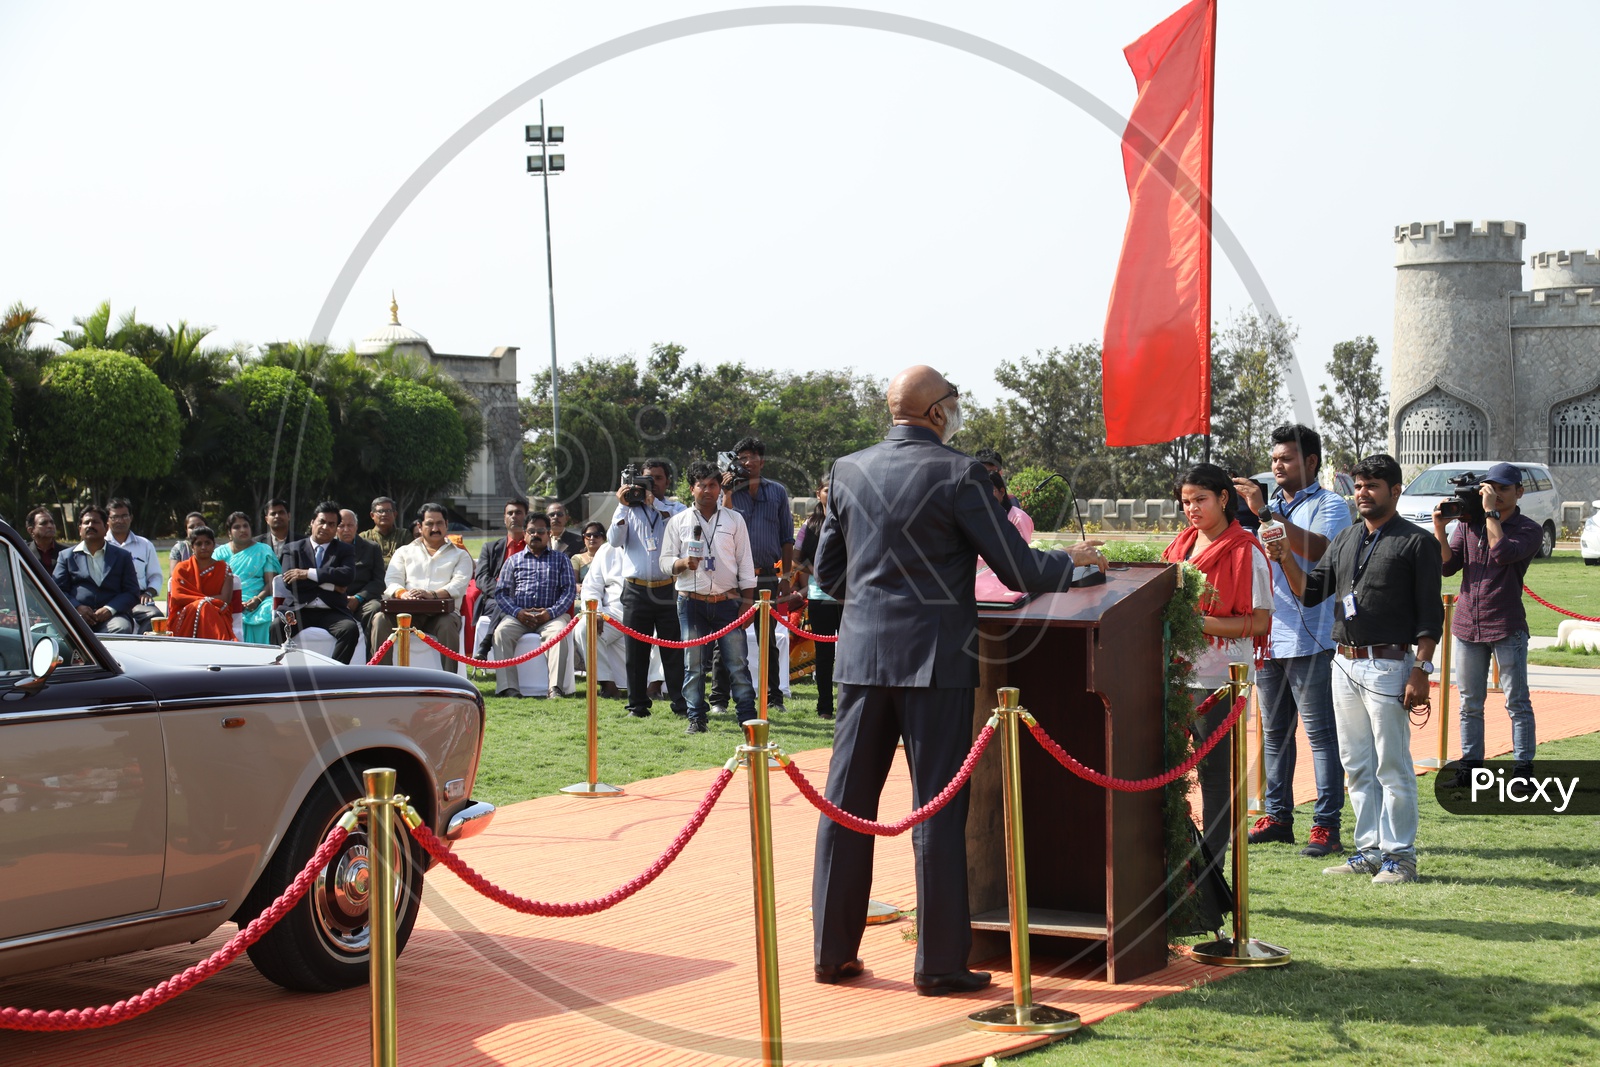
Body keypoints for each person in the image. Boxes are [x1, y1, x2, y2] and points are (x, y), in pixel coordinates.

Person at [810, 365, 1104, 995]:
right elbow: (1019, 567)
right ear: (938, 412)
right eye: (956, 401)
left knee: (844, 809)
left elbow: (829, 575)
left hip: (861, 660)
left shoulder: (847, 471)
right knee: (938, 811)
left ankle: (832, 951)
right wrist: (1073, 565)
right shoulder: (958, 472)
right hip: (936, 662)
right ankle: (939, 963)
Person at [1265, 453, 1442, 885]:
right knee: (1357, 764)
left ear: (1395, 491)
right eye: (1359, 486)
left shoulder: (1418, 543)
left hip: (1390, 664)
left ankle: (1400, 858)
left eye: (1373, 486)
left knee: (1392, 765)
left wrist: (1421, 669)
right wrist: (1286, 555)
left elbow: (1429, 616)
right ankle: (1368, 849)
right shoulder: (1345, 539)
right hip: (1343, 661)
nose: (1363, 493)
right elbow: (1310, 593)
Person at [1229, 424, 1353, 857]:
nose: (1278, 466)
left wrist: (1265, 514)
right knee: (1275, 733)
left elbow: (1321, 551)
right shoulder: (1264, 507)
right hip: (1269, 636)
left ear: (1312, 463)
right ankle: (1278, 817)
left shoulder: (1330, 505)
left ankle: (1326, 826)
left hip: (1311, 636)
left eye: (1288, 459)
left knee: (1320, 734)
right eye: (1275, 458)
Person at [1161, 464, 1272, 900]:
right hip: (1173, 674)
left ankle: (1213, 877)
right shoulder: (1180, 546)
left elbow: (1260, 621)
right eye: (1185, 502)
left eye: (1199, 500)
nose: (1191, 509)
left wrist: (1197, 619)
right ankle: (1172, 869)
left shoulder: (1247, 551)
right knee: (1165, 773)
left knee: (1214, 780)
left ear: (1224, 498)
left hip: (1219, 682)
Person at [1433, 462, 1542, 780]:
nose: (1495, 494)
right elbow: (1447, 566)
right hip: (1467, 625)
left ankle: (1523, 770)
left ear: (1519, 492)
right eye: (1490, 488)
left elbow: (1502, 553)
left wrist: (1490, 512)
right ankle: (1470, 767)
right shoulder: (1469, 525)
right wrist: (1440, 529)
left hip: (1506, 625)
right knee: (1469, 703)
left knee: (1517, 701)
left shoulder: (1529, 529)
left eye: (1503, 489)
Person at [662, 461, 759, 733]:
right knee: (693, 665)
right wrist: (683, 564)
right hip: (691, 602)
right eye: (701, 485)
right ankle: (696, 718)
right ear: (691, 489)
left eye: (712, 485)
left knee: (737, 664)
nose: (707, 490)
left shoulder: (734, 519)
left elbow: (746, 563)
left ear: (720, 488)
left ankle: (747, 718)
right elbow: (665, 562)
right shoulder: (678, 521)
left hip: (727, 602)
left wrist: (748, 603)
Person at [717, 436, 793, 711]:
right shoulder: (727, 491)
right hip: (733, 577)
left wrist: (785, 577)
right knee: (726, 638)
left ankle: (774, 698)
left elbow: (787, 537)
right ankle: (719, 699)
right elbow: (720, 528)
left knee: (768, 639)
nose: (747, 462)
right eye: (741, 458)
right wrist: (725, 492)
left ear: (762, 460)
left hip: (767, 577)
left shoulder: (777, 492)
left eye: (752, 457)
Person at [608, 459, 688, 719]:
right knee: (636, 652)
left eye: (657, 478)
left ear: (667, 481)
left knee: (673, 650)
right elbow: (614, 540)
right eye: (646, 479)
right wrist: (621, 507)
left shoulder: (676, 508)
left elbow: (684, 530)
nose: (651, 484)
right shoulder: (628, 510)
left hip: (668, 588)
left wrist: (655, 503)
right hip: (636, 590)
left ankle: (680, 702)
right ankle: (637, 705)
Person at [373, 503, 474, 674]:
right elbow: (391, 580)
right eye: (429, 524)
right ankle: (383, 679)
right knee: (379, 619)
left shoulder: (460, 555)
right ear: (419, 526)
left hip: (442, 614)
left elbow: (459, 585)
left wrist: (432, 595)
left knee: (448, 624)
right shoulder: (404, 552)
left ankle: (450, 683)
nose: (435, 528)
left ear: (446, 525)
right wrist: (403, 595)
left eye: (439, 523)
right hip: (406, 613)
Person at [492, 512, 577, 698]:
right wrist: (518, 612)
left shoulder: (561, 559)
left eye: (540, 531)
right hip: (519, 615)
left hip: (552, 616)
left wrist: (549, 613)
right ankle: (509, 688)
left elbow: (569, 592)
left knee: (559, 633)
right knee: (501, 633)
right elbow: (501, 593)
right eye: (531, 531)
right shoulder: (513, 561)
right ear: (524, 533)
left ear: (548, 534)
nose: (535, 535)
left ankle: (555, 688)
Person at [271, 501, 362, 664]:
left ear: (336, 529)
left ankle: (334, 675)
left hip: (332, 609)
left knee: (350, 630)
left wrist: (307, 573)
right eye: (322, 522)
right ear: (312, 522)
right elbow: (290, 583)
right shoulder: (292, 548)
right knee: (276, 626)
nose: (326, 527)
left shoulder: (344, 550)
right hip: (300, 609)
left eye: (331, 524)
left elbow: (347, 576)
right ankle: (277, 671)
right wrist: (332, 585)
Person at [793, 473, 842, 719]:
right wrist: (816, 572)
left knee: (849, 654)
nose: (830, 494)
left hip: (847, 595)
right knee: (824, 655)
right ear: (818, 493)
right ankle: (824, 707)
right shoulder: (810, 523)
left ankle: (848, 708)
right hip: (819, 593)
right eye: (826, 490)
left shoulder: (850, 519)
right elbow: (796, 556)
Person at [53, 505, 142, 634]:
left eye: (95, 522)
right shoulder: (66, 556)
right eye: (86, 522)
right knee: (60, 631)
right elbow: (57, 590)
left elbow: (132, 592)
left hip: (113, 617)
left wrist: (109, 609)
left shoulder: (123, 556)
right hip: (76, 616)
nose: (90, 525)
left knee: (121, 627)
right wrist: (77, 607)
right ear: (80, 529)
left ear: (106, 528)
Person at [473, 500, 529, 660]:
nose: (514, 516)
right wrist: (503, 591)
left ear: (526, 517)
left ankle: (486, 643)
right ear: (504, 518)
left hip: (527, 600)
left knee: (505, 601)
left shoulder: (534, 546)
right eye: (510, 513)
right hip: (493, 601)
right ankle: (486, 644)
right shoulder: (490, 548)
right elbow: (481, 578)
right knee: (502, 601)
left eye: (518, 513)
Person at [214, 511, 280, 644]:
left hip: (259, 601)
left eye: (245, 526)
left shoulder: (263, 551)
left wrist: (257, 599)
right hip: (228, 600)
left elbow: (271, 583)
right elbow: (213, 584)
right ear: (229, 533)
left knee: (270, 608)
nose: (242, 530)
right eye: (237, 527)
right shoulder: (219, 554)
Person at [575, 536, 626, 699]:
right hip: (613, 612)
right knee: (585, 626)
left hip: (649, 611)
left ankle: (654, 686)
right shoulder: (607, 550)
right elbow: (591, 586)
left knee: (668, 628)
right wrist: (596, 611)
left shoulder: (655, 545)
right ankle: (606, 683)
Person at [106, 497, 166, 634]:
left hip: (137, 599)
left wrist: (148, 592)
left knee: (155, 617)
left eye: (124, 516)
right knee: (121, 625)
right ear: (107, 520)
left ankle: (141, 646)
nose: (120, 521)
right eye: (115, 517)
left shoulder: (144, 545)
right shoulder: (101, 545)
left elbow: (155, 576)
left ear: (131, 517)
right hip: (110, 598)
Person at [167, 526, 236, 641]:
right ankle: (218, 645)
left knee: (205, 606)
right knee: (204, 606)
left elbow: (225, 599)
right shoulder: (181, 568)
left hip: (218, 614)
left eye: (207, 543)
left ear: (214, 545)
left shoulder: (224, 568)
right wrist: (203, 603)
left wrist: (203, 604)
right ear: (192, 547)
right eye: (199, 544)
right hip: (185, 615)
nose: (204, 547)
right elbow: (177, 597)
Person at [339, 508, 387, 643]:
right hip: (336, 598)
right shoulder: (329, 548)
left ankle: (372, 658)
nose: (346, 530)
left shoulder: (372, 548)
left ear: (357, 526)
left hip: (364, 600)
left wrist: (358, 598)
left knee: (376, 608)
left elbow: (379, 582)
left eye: (350, 525)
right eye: (341, 526)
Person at [989, 470, 1034, 542]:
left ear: (1002, 492)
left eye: (990, 491)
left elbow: (1023, 551)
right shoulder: (984, 517)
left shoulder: (1018, 518)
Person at [360, 496, 402, 566]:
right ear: (372, 515)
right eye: (380, 511)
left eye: (388, 511)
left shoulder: (404, 535)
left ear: (394, 514)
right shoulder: (364, 537)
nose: (384, 514)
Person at [24, 507, 62, 571]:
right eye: (44, 523)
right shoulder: (23, 552)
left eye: (52, 522)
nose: (50, 526)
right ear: (31, 530)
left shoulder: (67, 553)